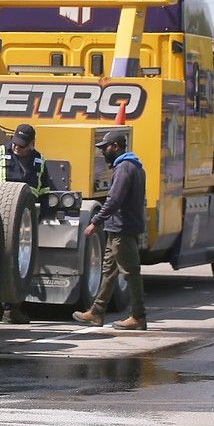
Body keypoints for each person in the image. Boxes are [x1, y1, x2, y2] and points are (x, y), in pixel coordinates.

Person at [0, 123, 51, 324]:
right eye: (15, 143)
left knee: (18, 265)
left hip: (25, 223)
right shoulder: (0, 153)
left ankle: (12, 309)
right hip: (2, 218)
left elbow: (45, 191)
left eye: (22, 145)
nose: (17, 147)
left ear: (32, 144)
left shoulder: (39, 161)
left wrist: (43, 215)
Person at [72, 129, 147, 330]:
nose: (103, 152)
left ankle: (138, 316)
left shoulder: (124, 168)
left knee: (130, 273)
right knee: (109, 272)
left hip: (123, 229)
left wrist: (95, 222)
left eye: (105, 148)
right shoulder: (133, 166)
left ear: (115, 146)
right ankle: (97, 312)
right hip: (119, 228)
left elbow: (114, 200)